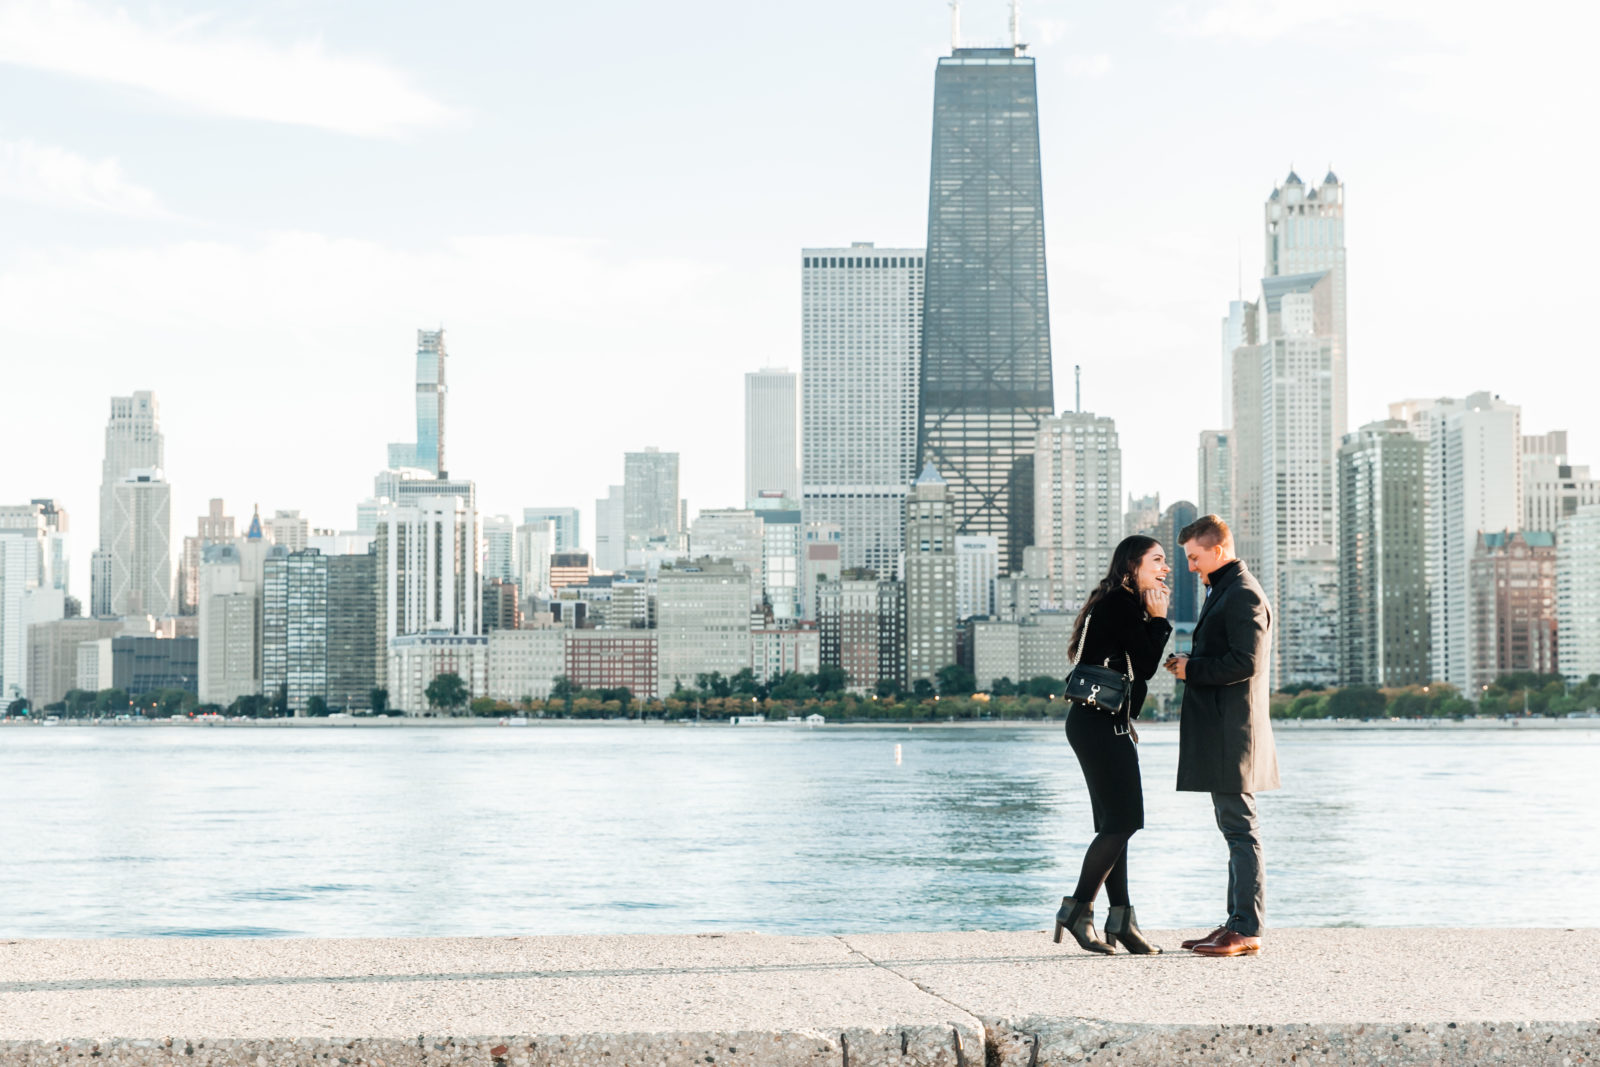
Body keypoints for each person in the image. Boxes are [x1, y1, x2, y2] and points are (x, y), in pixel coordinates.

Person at [1164, 514, 1279, 957]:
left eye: (1194, 557)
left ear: (1218, 549)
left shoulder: (1243, 592)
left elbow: (1247, 662)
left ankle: (1247, 928)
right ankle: (1235, 922)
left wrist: (1192, 668)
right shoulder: (1227, 589)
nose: (1190, 566)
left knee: (1240, 830)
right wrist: (1189, 663)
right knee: (1234, 828)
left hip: (1235, 731)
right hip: (1226, 728)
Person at [1053, 535, 1173, 955]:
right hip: (1099, 725)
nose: (1166, 568)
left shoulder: (1115, 602)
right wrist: (1159, 620)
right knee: (1124, 821)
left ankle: (1120, 920)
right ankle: (1077, 909)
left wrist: (1152, 619)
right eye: (1157, 560)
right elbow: (1142, 668)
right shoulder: (1121, 604)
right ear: (1132, 566)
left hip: (1099, 723)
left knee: (1115, 825)